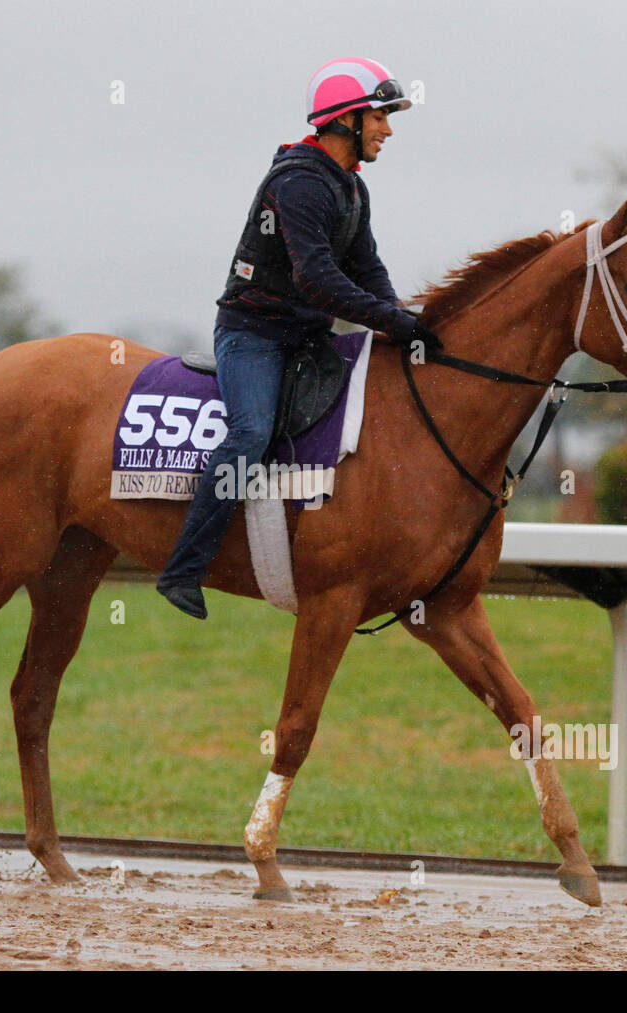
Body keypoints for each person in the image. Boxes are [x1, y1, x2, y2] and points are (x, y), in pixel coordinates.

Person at [156, 56, 439, 619]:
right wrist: (392, 320)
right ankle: (184, 568)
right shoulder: (301, 183)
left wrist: (402, 319)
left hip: (307, 338)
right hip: (252, 338)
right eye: (380, 116)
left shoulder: (350, 188)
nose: (388, 129)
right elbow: (317, 278)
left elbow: (367, 268)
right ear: (345, 120)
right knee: (251, 434)